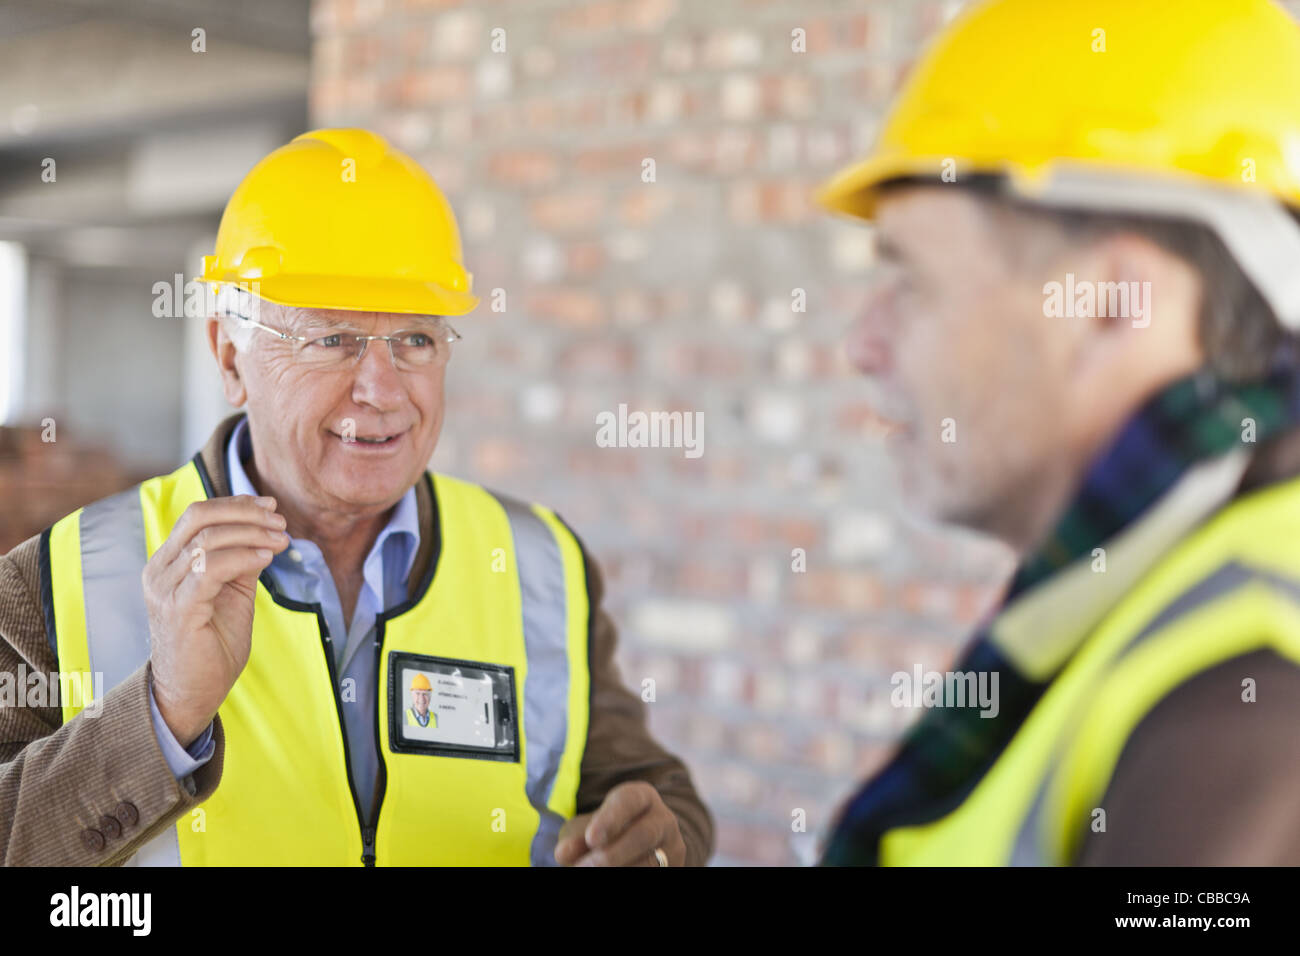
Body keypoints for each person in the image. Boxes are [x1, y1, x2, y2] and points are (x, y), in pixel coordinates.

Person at [0, 128, 711, 867]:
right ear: (229, 356)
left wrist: (660, 847)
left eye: (416, 341)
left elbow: (651, 795)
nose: (381, 390)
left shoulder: (539, 565)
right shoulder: (56, 584)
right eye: (332, 339)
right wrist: (163, 716)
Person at [815, 0, 1300, 864]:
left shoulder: (1249, 691)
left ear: (1110, 307)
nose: (862, 343)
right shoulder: (1161, 595)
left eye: (913, 282)